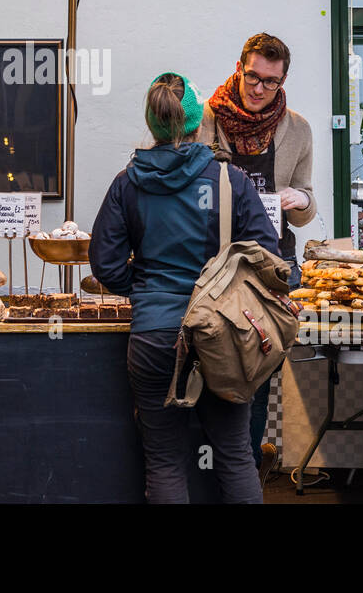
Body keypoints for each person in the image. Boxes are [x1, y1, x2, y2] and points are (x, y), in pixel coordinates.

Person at [90, 72, 282, 504]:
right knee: (235, 454)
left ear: (154, 123)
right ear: (198, 123)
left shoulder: (128, 183)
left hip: (154, 333)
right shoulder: (229, 181)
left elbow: (104, 263)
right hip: (222, 335)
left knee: (163, 460)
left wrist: (143, 288)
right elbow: (267, 258)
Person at [198, 33, 315, 465]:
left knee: (261, 363)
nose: (259, 88)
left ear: (282, 82)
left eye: (271, 82)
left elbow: (306, 199)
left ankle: (244, 464)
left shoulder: (298, 129)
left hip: (273, 264)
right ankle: (210, 466)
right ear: (239, 67)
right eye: (253, 76)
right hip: (215, 262)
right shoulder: (207, 117)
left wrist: (300, 201)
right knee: (210, 357)